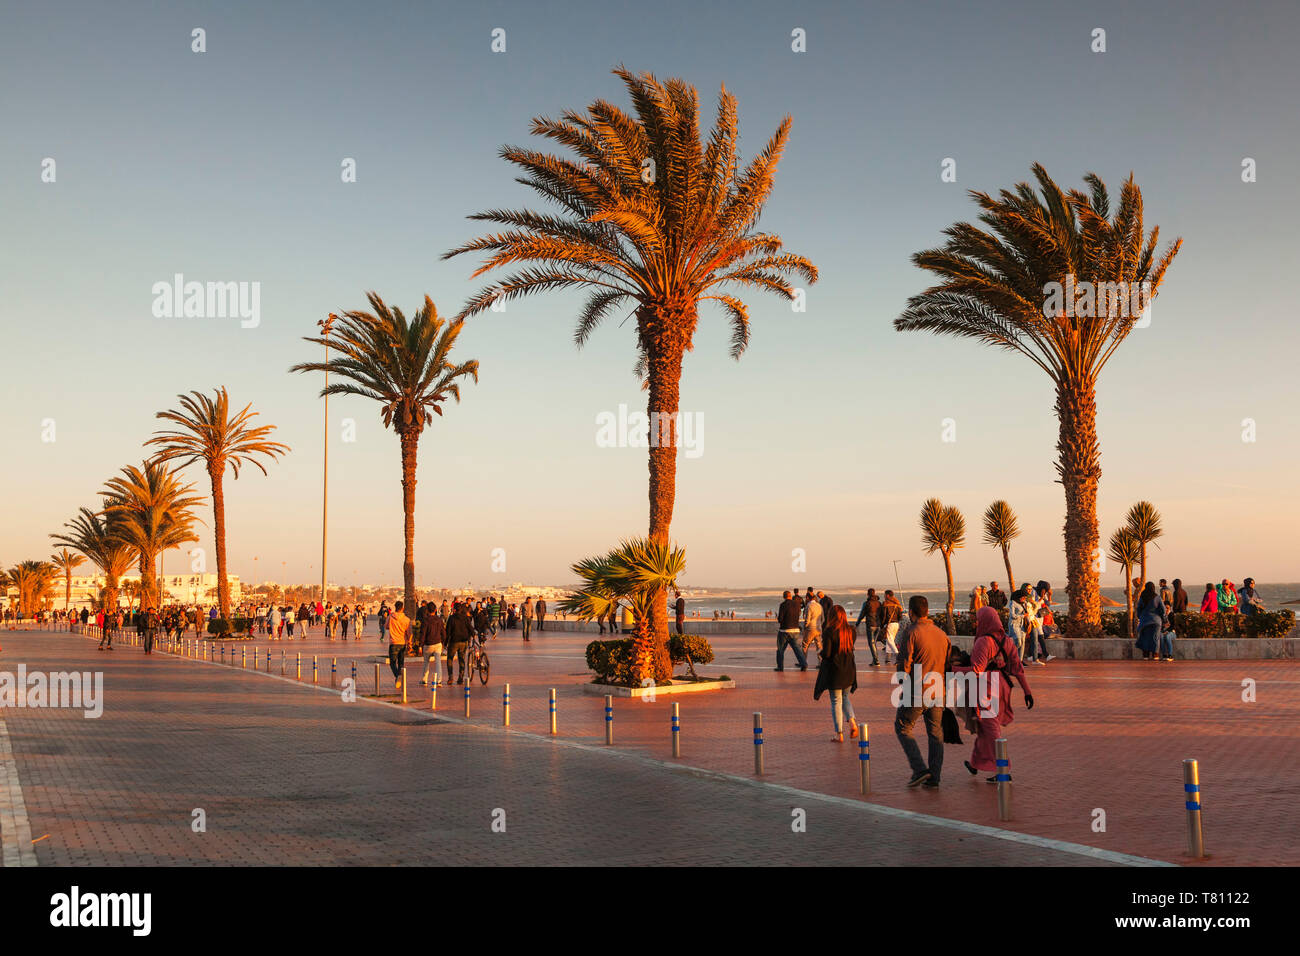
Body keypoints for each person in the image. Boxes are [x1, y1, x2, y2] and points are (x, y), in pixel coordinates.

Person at [960, 606, 1034, 782]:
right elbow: (1017, 668)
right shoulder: (1007, 641)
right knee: (985, 726)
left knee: (991, 727)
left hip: (987, 686)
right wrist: (1027, 692)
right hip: (1002, 685)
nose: (977, 623)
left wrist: (952, 669)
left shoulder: (983, 642)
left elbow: (977, 669)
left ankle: (1003, 769)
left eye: (978, 620)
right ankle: (976, 763)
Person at [894, 595, 951, 788]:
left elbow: (904, 663)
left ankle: (919, 769)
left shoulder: (912, 632)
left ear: (911, 612)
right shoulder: (941, 634)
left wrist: (902, 683)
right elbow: (947, 662)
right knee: (935, 733)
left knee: (903, 726)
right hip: (938, 689)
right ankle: (934, 776)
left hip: (917, 689)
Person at [814, 606, 858, 742]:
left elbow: (827, 653)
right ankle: (853, 723)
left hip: (835, 671)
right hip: (849, 670)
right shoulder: (851, 631)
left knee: (836, 701)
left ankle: (839, 733)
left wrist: (819, 652)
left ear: (831, 616)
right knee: (845, 698)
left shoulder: (829, 631)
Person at [774, 590, 808, 672]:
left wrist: (777, 617)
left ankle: (780, 667)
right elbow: (798, 614)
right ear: (790, 596)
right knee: (797, 649)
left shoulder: (783, 605)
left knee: (780, 649)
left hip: (784, 631)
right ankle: (804, 664)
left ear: (784, 597)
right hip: (795, 630)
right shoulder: (796, 604)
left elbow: (780, 619)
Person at [1135, 582, 1168, 660]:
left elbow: (1138, 609)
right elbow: (1163, 610)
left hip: (1144, 620)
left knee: (1144, 637)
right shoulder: (1157, 597)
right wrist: (1164, 620)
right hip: (1156, 621)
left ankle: (1145, 655)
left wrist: (1140, 617)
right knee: (1155, 638)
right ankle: (1155, 655)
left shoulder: (1142, 597)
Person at [445, 603, 473, 684]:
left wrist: (445, 643)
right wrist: (473, 635)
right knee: (462, 659)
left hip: (454, 642)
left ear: (454, 609)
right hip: (464, 642)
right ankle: (461, 677)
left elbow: (448, 631)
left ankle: (450, 677)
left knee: (450, 659)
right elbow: (470, 628)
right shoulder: (466, 618)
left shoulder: (451, 618)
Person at [387, 600, 411, 691]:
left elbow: (386, 626)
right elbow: (409, 633)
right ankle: (399, 676)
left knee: (392, 662)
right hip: (402, 643)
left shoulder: (391, 617)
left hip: (393, 643)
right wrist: (409, 642)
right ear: (402, 608)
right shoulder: (406, 619)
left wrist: (393, 626)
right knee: (401, 662)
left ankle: (398, 676)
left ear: (395, 607)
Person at [854, 588, 881, 666]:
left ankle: (876, 661)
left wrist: (857, 623)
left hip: (870, 625)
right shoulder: (879, 603)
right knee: (874, 643)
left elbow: (862, 614)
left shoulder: (866, 603)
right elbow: (881, 614)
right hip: (878, 625)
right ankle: (874, 660)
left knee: (871, 643)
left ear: (868, 594)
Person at [421, 602, 445, 685]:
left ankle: (424, 680)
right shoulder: (439, 620)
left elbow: (423, 634)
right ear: (435, 610)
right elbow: (443, 632)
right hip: (438, 643)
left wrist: (421, 645)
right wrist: (443, 642)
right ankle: (439, 680)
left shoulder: (425, 620)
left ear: (427, 610)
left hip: (428, 644)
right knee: (438, 662)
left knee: (426, 662)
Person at [880, 590, 903, 664]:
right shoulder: (897, 604)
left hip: (889, 624)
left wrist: (882, 624)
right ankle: (888, 659)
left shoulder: (886, 604)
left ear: (887, 595)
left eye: (884, 594)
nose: (884, 596)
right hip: (896, 624)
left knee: (889, 640)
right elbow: (900, 616)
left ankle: (898, 656)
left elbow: (883, 615)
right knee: (890, 641)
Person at [801, 591, 824, 657]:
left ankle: (803, 662)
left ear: (807, 597)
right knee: (819, 646)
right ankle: (820, 662)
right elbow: (823, 619)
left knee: (805, 645)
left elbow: (807, 619)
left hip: (810, 628)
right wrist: (819, 625)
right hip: (818, 628)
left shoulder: (809, 606)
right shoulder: (819, 605)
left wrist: (805, 627)